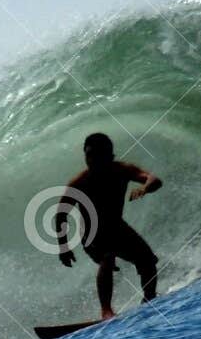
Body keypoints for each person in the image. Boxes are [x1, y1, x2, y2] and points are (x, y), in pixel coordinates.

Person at [55, 132, 163, 320]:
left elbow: (154, 179)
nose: (92, 160)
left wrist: (144, 188)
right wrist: (64, 247)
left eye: (97, 155)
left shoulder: (122, 170)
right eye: (89, 155)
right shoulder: (80, 183)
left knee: (147, 261)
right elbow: (61, 215)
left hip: (116, 227)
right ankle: (106, 310)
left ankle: (149, 299)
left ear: (109, 156)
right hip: (91, 232)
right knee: (108, 255)